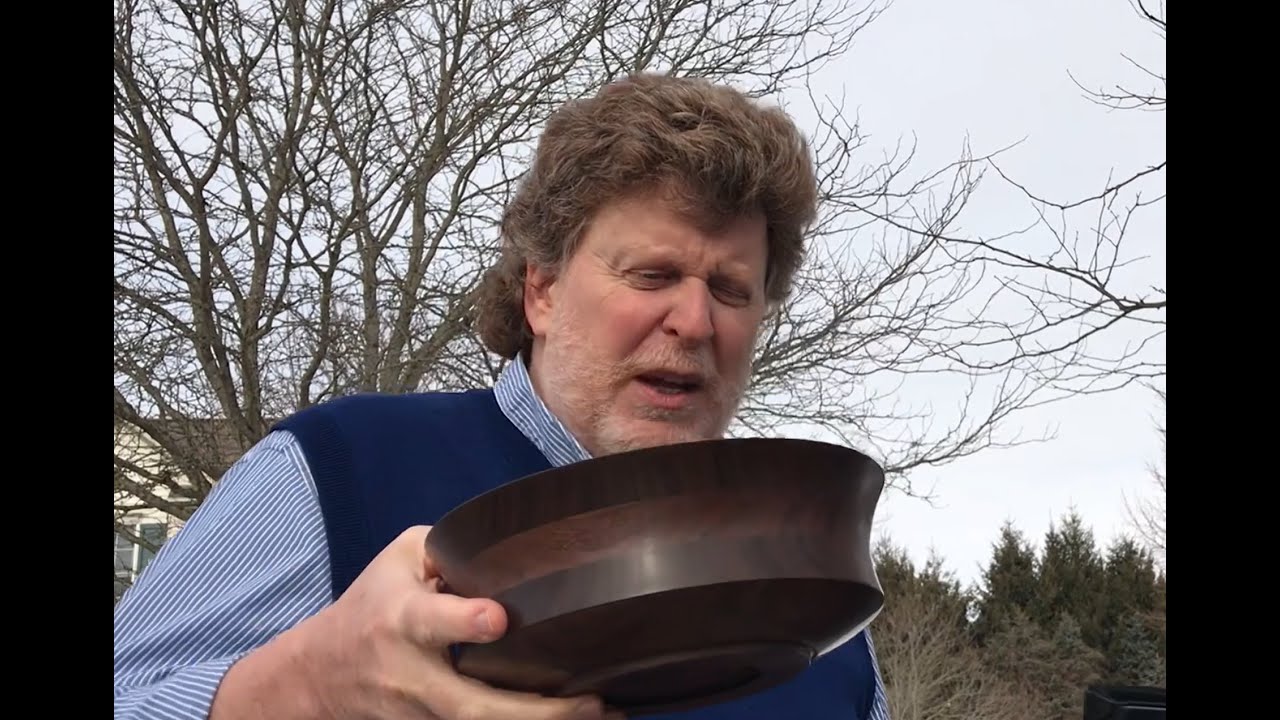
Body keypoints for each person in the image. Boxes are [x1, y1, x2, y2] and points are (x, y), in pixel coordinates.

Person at [113, 73, 891, 720]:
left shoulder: (818, 614)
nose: (694, 320)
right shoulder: (340, 469)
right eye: (652, 275)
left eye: (730, 289)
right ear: (541, 292)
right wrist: (301, 687)